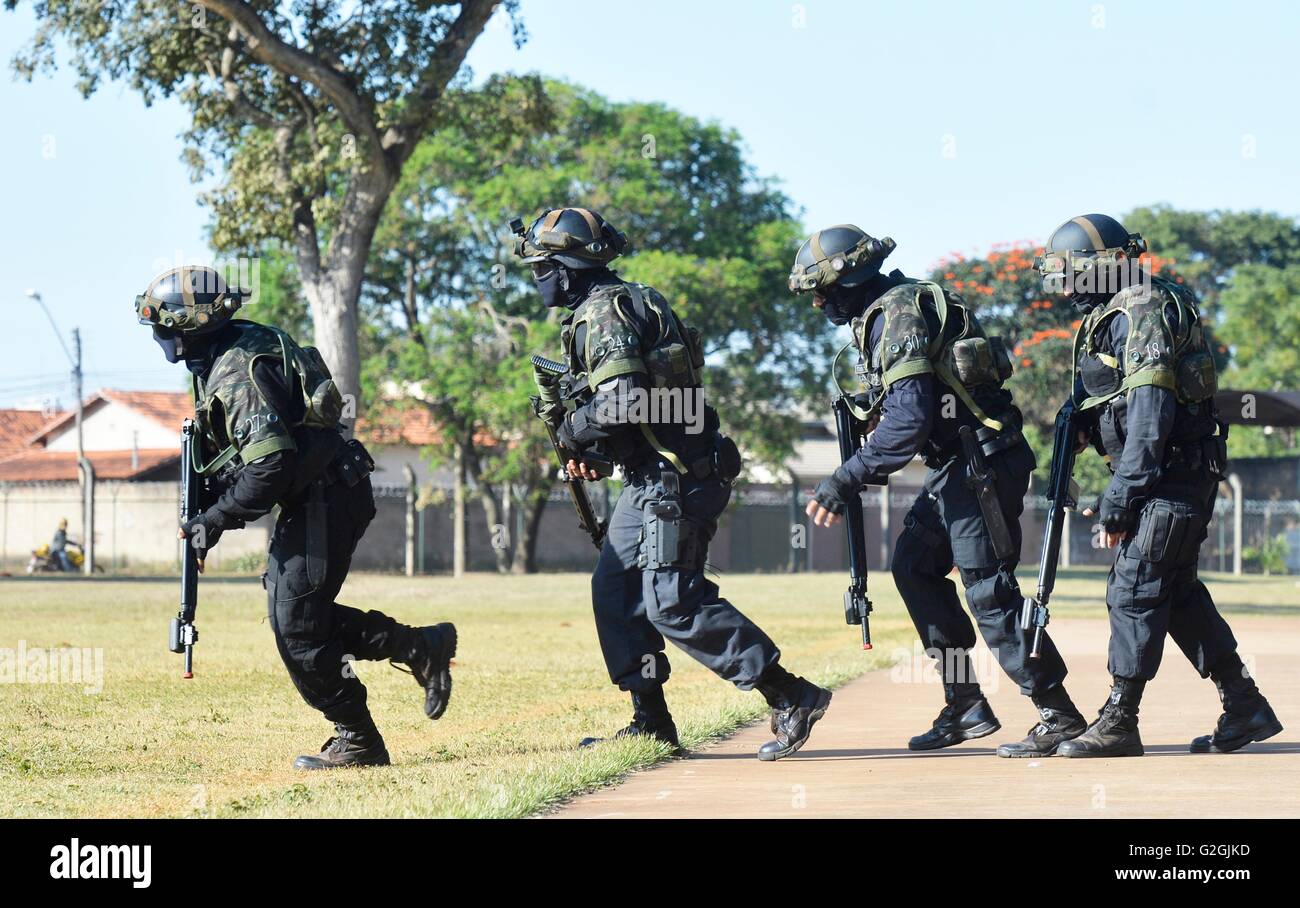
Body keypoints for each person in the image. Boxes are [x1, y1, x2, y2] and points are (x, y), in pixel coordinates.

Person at [513, 207, 831, 761]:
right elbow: (650, 408)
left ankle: (792, 695)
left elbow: (625, 399)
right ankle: (652, 722)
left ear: (564, 268)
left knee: (672, 602)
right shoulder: (629, 300)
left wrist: (573, 428)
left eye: (541, 267)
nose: (538, 278)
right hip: (650, 478)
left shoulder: (603, 314)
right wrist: (597, 452)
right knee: (615, 592)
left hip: (676, 482)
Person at [135, 265, 457, 769]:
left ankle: (360, 740)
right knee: (303, 618)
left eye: (165, 329)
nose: (159, 339)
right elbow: (249, 459)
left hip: (327, 495)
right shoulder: (233, 349)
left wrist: (214, 520)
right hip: (321, 494)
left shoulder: (236, 369)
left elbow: (268, 469)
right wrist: (208, 511)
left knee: (298, 629)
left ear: (190, 328)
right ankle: (420, 646)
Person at [794, 224, 1087, 757]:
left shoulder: (898, 312)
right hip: (957, 466)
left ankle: (1058, 712)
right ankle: (966, 704)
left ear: (848, 279)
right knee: (915, 567)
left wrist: (845, 478)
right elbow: (912, 412)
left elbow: (908, 422)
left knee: (988, 592)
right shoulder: (886, 312)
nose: (816, 301)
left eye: (821, 288)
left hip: (981, 465)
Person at [1037, 214, 1283, 757]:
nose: (1070, 285)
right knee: (1176, 594)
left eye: (1078, 273)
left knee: (1135, 588)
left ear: (1112, 266)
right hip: (1169, 475)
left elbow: (1150, 414)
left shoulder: (1144, 308)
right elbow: (1115, 400)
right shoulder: (1113, 313)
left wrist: (1121, 498)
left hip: (1170, 478)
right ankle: (1245, 706)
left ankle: (1121, 721)